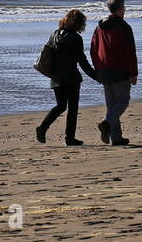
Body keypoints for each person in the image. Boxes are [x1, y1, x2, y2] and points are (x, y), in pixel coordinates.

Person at [36, 9, 102, 146]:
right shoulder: (76, 38)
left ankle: (43, 127)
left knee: (60, 106)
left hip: (56, 77)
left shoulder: (54, 34)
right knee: (72, 108)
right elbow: (82, 61)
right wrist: (95, 75)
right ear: (78, 23)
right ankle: (69, 138)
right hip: (71, 77)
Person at [90, 0, 138, 146]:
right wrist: (133, 72)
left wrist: (97, 68)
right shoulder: (124, 27)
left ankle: (116, 138)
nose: (125, 10)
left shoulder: (99, 27)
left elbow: (93, 50)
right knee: (122, 101)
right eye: (124, 7)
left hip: (104, 69)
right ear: (120, 9)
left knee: (112, 106)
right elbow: (130, 51)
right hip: (119, 69)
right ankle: (106, 123)